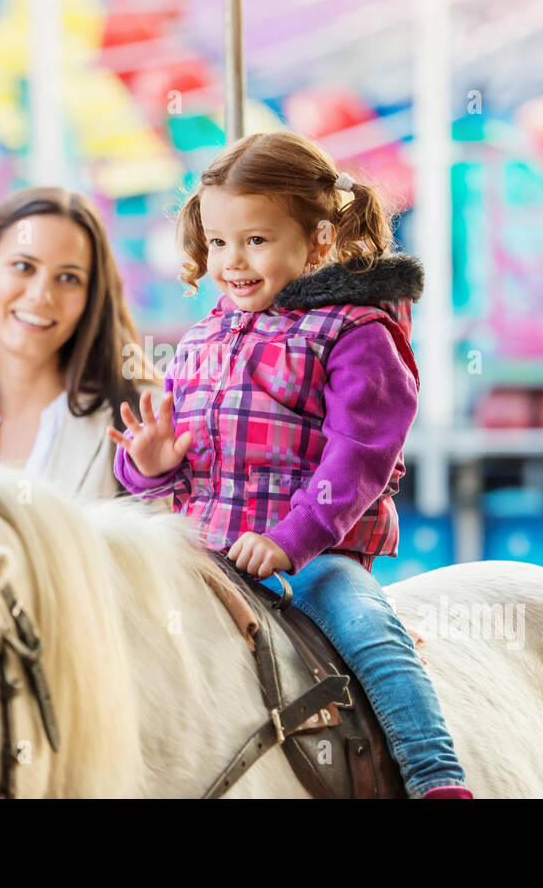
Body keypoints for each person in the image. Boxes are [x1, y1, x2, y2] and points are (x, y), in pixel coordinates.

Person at [109, 131, 472, 798]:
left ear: (321, 239)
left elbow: (360, 456)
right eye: (218, 242)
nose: (232, 262)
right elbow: (193, 464)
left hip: (312, 556)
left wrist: (288, 540)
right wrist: (152, 468)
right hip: (204, 550)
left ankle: (435, 777)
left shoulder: (356, 331)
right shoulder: (205, 336)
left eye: (256, 240)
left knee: (369, 629)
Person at [0, 186, 162, 501]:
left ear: (91, 298)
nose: (42, 295)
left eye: (69, 278)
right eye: (23, 266)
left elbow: (165, 545)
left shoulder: (144, 418)